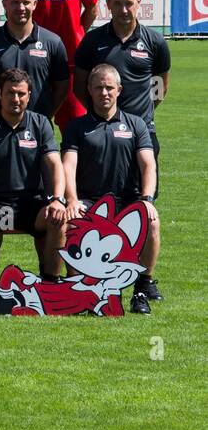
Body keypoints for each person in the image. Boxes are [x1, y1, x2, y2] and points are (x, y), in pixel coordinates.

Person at [62, 64, 162, 312]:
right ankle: (80, 287)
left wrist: (146, 200)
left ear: (119, 90)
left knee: (152, 222)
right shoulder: (76, 127)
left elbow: (148, 165)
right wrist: (72, 200)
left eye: (109, 88)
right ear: (89, 90)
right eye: (98, 88)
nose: (104, 93)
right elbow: (68, 166)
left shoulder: (136, 125)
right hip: (89, 201)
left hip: (127, 201)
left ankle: (141, 287)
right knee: (67, 220)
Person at [0, 68, 68, 280]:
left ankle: (51, 283)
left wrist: (57, 200)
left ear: (29, 96)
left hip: (31, 204)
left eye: (21, 93)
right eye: (10, 93)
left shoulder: (41, 123)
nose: (16, 98)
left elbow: (56, 164)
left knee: (58, 217)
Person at [74, 0, 171, 164]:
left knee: (145, 189)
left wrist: (142, 113)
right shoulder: (93, 40)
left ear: (138, 3)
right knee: (98, 190)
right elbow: (79, 87)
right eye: (117, 4)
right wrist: (100, 111)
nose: (124, 10)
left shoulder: (156, 42)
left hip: (142, 130)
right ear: (108, 5)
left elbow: (160, 88)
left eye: (128, 3)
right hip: (100, 128)